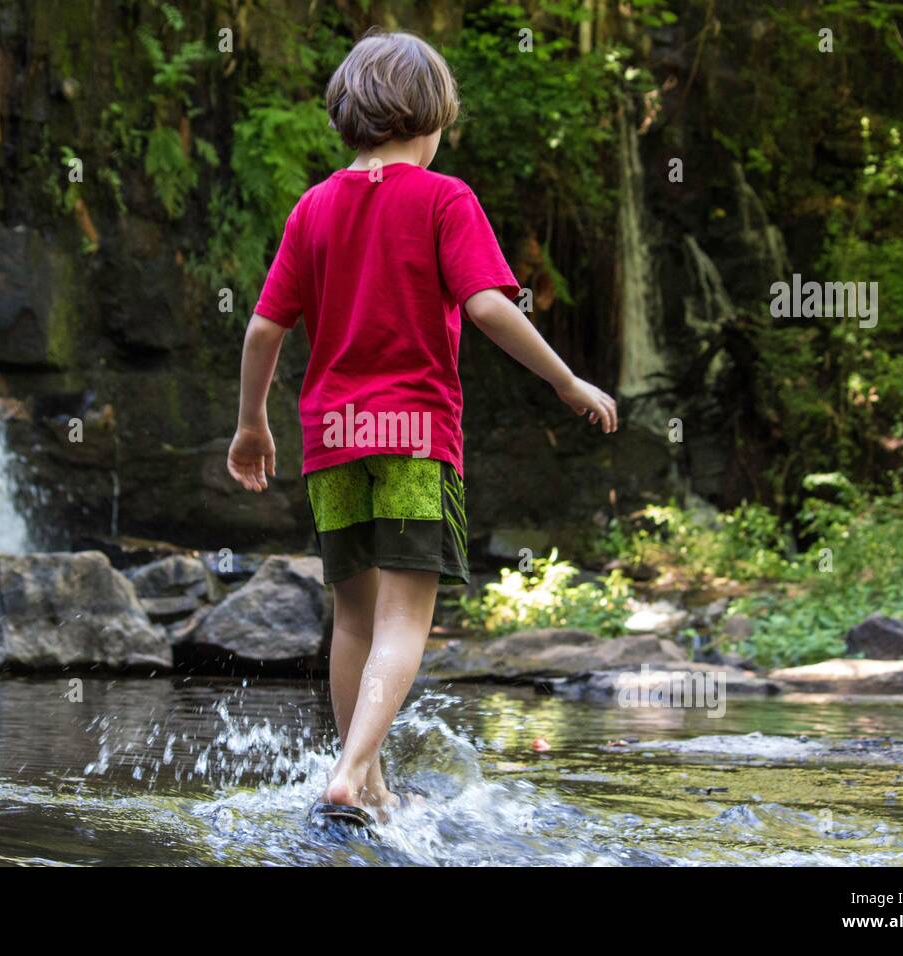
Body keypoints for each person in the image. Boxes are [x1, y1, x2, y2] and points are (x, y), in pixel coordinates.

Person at [227, 29, 617, 824]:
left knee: (353, 619)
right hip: (412, 435)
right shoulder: (445, 199)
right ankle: (353, 770)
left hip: (330, 442)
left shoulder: (313, 207)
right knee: (406, 619)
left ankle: (362, 782)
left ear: (348, 116)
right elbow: (485, 307)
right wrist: (566, 379)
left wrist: (251, 427)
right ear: (432, 119)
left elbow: (264, 330)